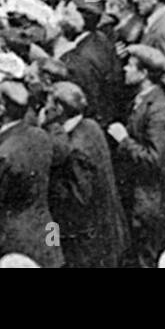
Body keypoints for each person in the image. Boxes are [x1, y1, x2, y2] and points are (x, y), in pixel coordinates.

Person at [0, 80, 63, 268]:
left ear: (0, 107)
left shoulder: (2, 156)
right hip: (48, 229)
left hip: (18, 240)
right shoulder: (41, 136)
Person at [108, 44, 165, 267]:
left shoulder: (158, 110)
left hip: (149, 201)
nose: (125, 70)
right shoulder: (141, 100)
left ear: (144, 73)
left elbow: (154, 159)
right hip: (139, 196)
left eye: (130, 66)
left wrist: (124, 140)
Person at [44, 81, 129, 268]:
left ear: (58, 108)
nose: (44, 107)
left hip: (87, 244)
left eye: (48, 102)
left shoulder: (74, 149)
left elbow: (78, 199)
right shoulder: (91, 126)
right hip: (108, 232)